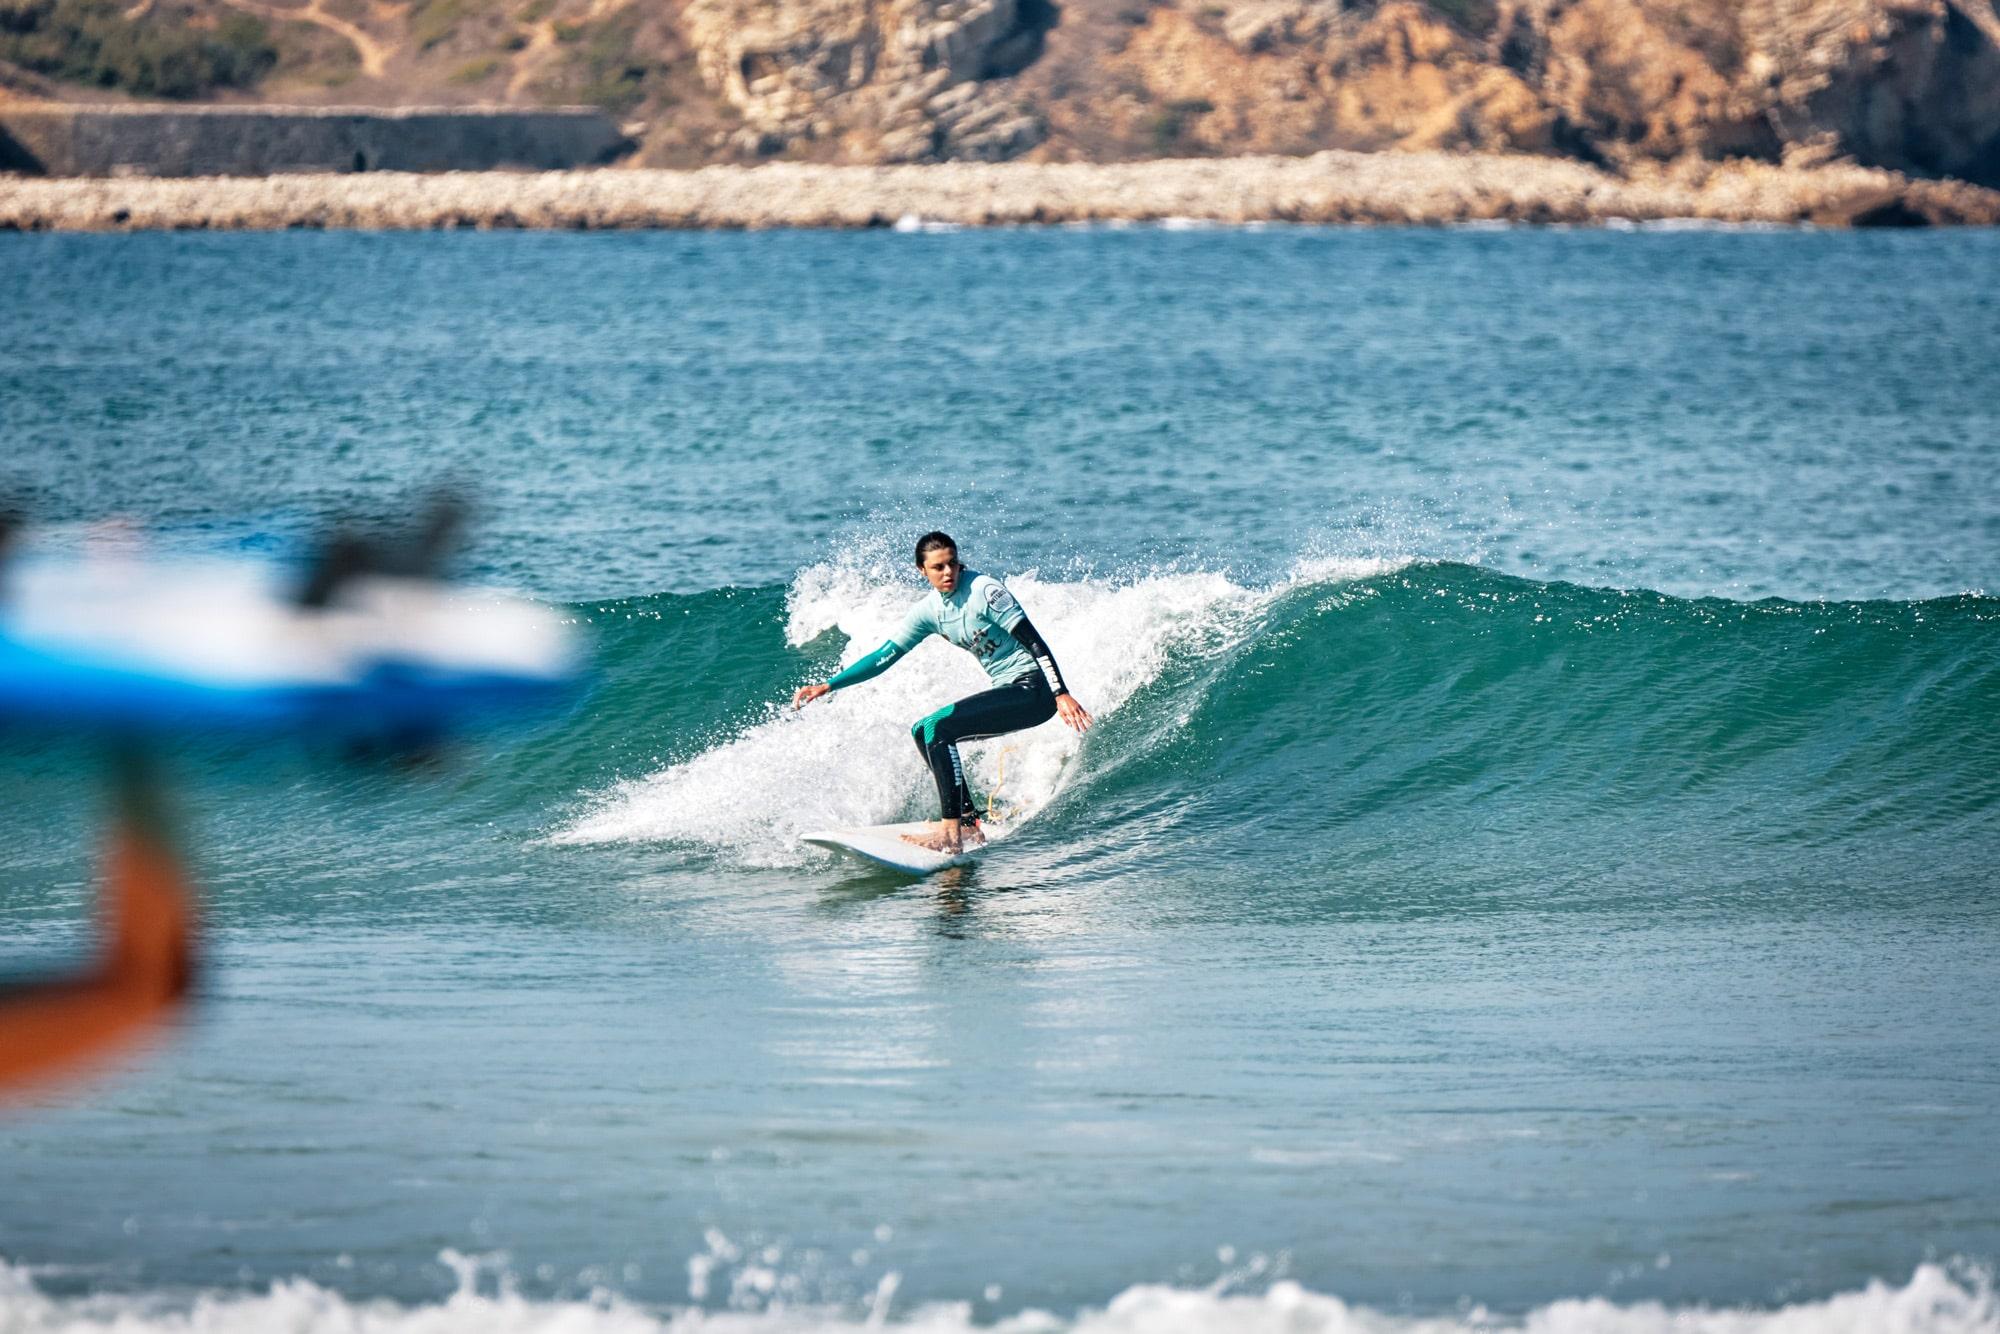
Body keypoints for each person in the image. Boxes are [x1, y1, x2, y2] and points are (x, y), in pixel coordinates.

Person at [793, 532, 1092, 853]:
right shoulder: (929, 611)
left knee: (939, 726)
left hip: (1035, 688)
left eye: (952, 564)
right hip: (1010, 689)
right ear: (922, 571)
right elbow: (884, 656)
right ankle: (968, 825)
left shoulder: (984, 591)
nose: (948, 572)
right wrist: (829, 685)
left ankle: (952, 833)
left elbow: (1035, 642)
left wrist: (1061, 692)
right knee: (922, 730)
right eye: (938, 567)